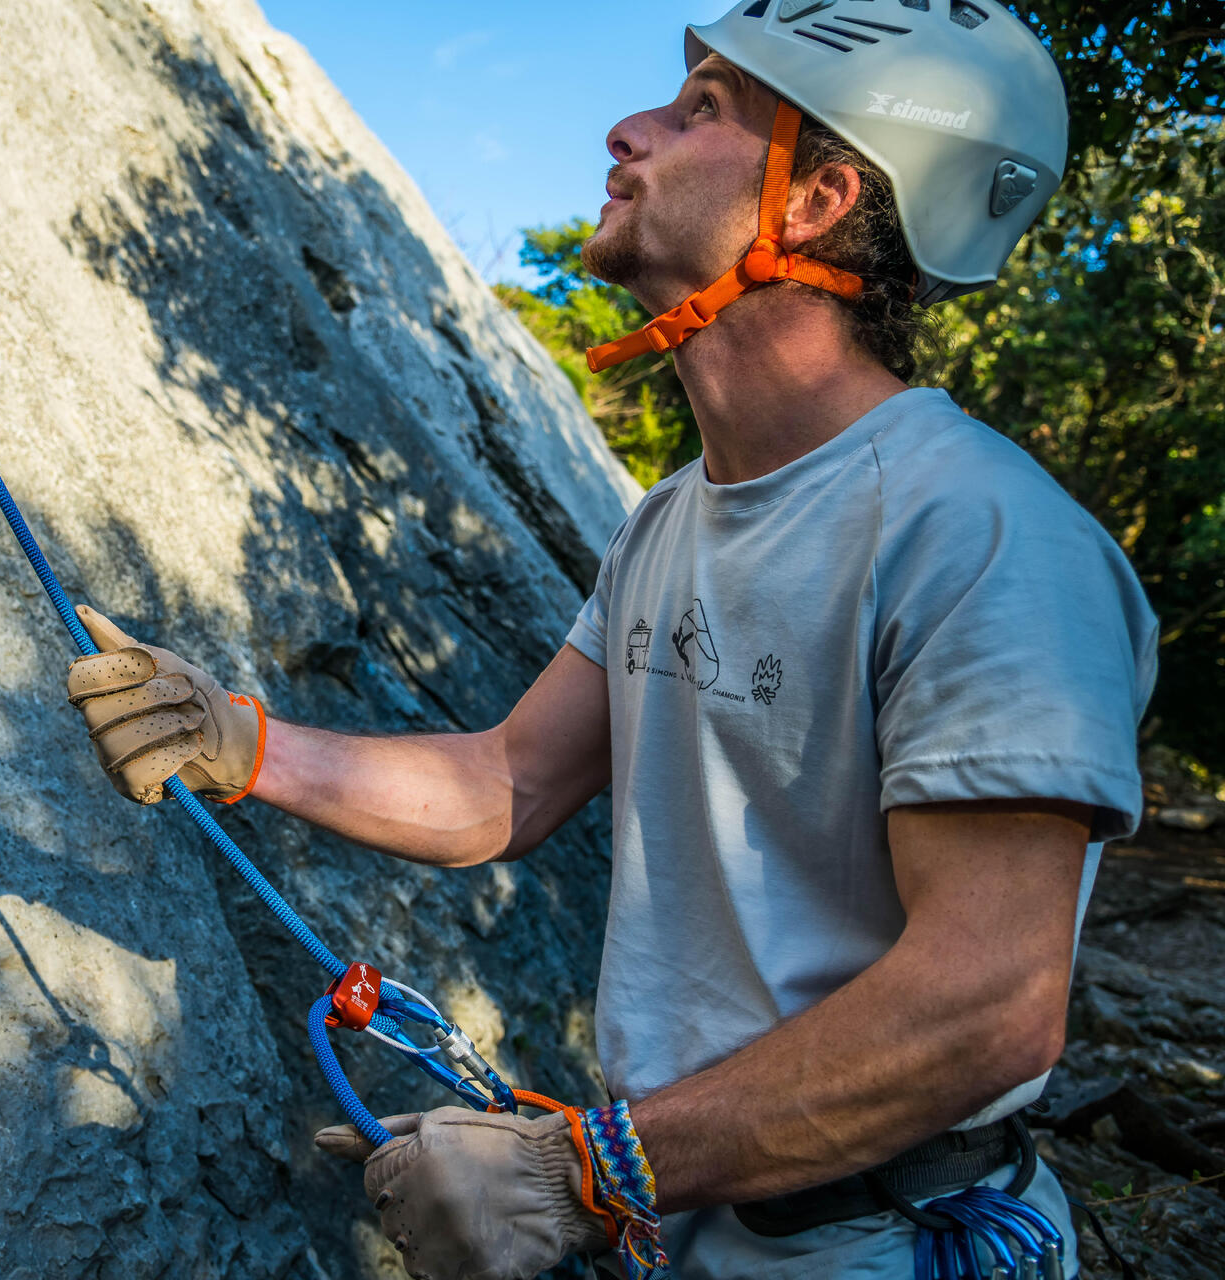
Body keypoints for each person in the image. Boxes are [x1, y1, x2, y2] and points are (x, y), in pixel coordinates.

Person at [60, 1, 1159, 1276]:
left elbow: (986, 1006)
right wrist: (237, 740)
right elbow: (508, 781)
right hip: (688, 1216)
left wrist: (587, 1169)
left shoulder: (981, 534)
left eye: (700, 110)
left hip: (877, 1243)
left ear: (815, 201)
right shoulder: (670, 523)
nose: (627, 128)